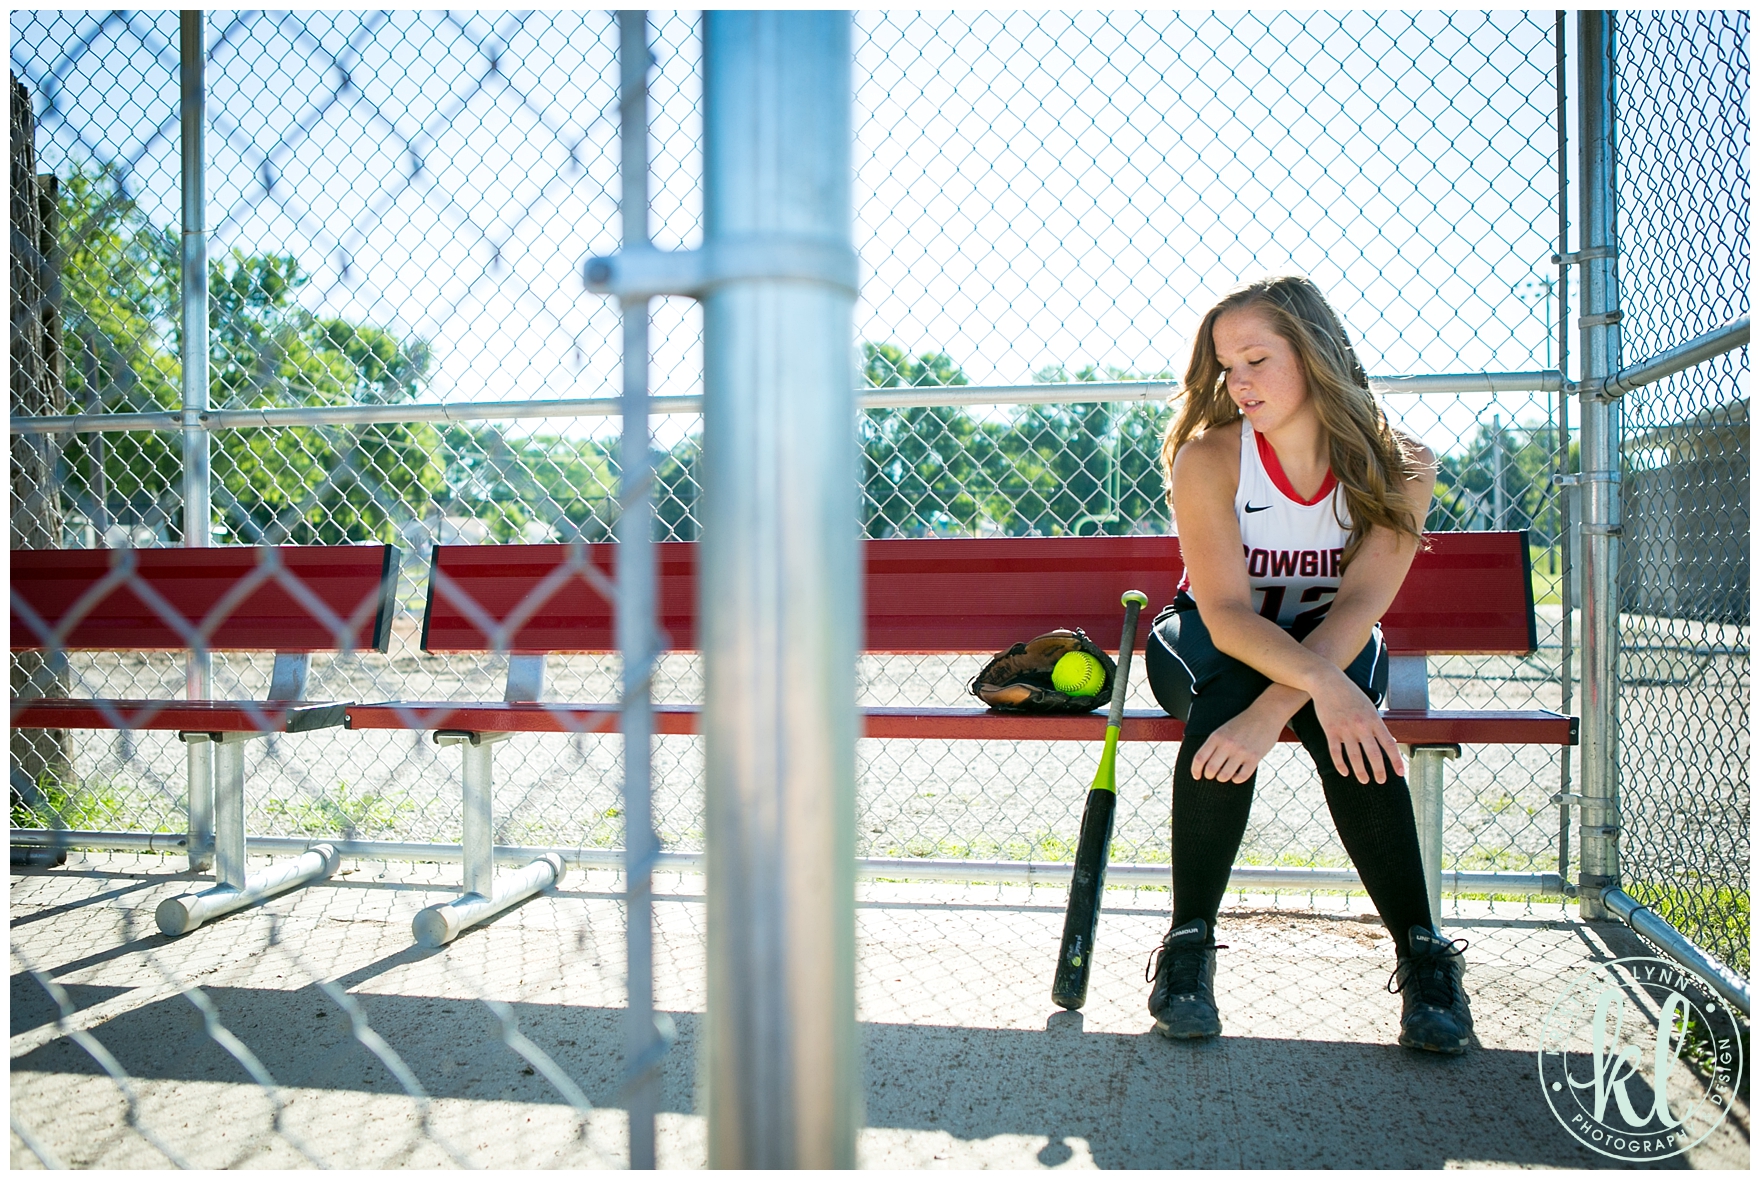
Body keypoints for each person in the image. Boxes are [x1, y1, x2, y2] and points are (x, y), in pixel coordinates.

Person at [1141, 274, 1473, 1054]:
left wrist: (1289, 704)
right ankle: (1188, 947)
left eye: (1256, 359)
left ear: (1316, 352)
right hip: (1211, 642)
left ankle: (1425, 958)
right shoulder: (1211, 457)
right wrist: (1311, 687)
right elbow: (1226, 614)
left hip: (1333, 639)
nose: (1238, 382)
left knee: (1348, 721)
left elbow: (1358, 606)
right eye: (1227, 366)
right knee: (1238, 692)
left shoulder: (1401, 463)